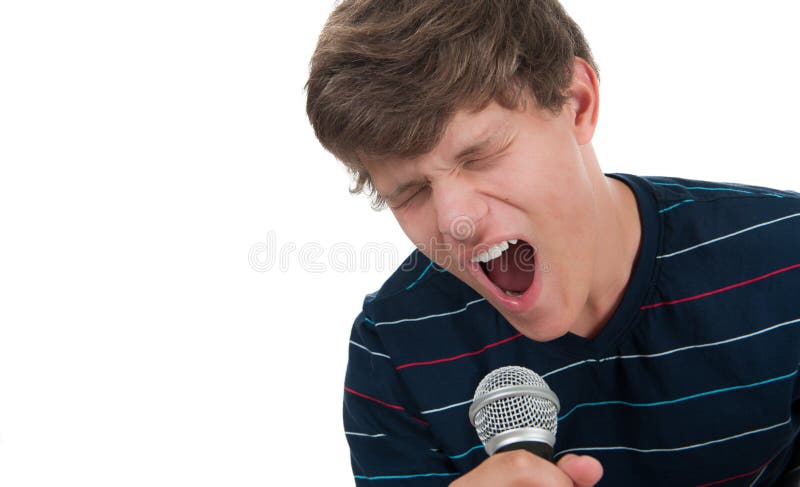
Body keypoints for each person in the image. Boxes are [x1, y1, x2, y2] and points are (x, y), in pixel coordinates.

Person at [305, 0, 800, 485]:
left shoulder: (786, 255)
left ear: (577, 104)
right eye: (412, 192)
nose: (455, 221)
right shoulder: (393, 351)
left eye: (479, 155)